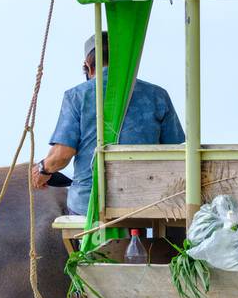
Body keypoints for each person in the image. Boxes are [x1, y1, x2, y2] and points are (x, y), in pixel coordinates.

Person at [31, 32, 185, 215]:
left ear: (88, 65)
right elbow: (173, 151)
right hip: (147, 202)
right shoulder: (158, 95)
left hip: (91, 203)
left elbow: (62, 155)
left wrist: (43, 169)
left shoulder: (76, 96)